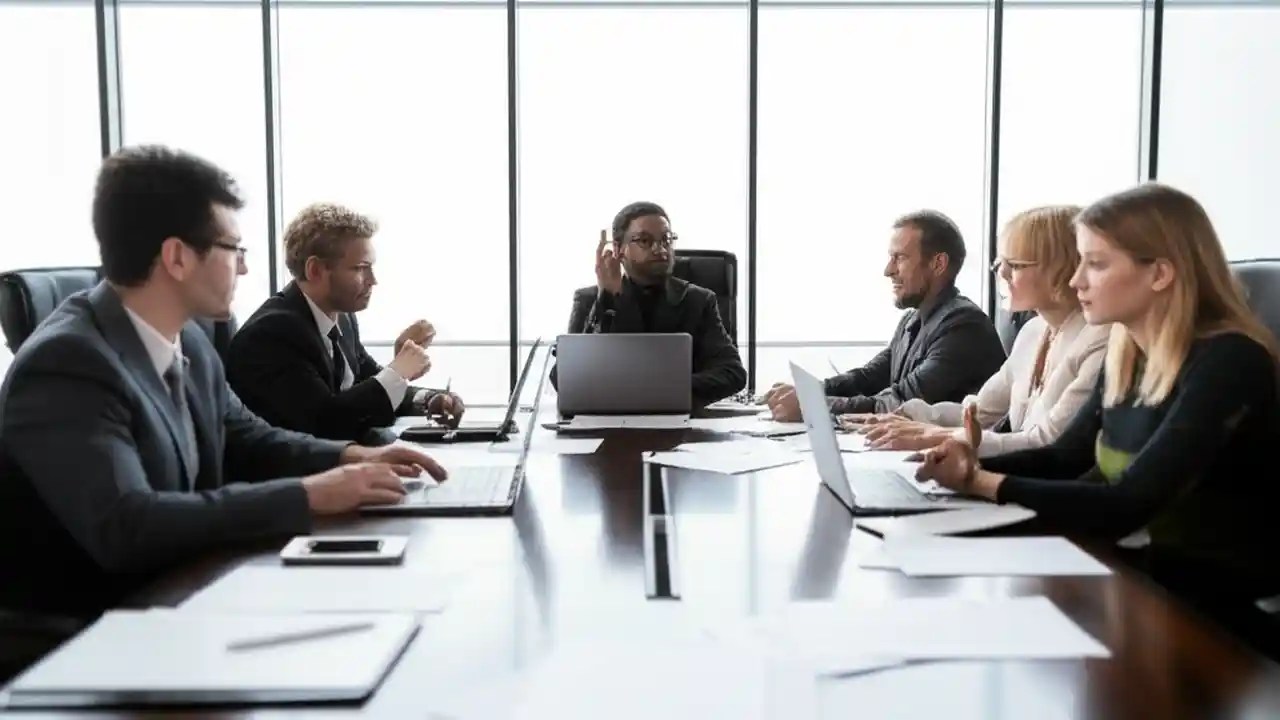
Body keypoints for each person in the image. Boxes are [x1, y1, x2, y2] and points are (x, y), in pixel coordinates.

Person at [0, 147, 446, 624]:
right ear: (177, 257)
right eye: (234, 250)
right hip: (89, 631)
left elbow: (249, 436)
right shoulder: (68, 363)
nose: (245, 269)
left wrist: (352, 457)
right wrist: (309, 494)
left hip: (185, 594)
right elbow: (128, 525)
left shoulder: (188, 337)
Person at [915, 183, 1280, 653]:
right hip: (1139, 582)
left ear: (1161, 274)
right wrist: (963, 462)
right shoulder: (1128, 354)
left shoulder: (1229, 361)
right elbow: (1065, 458)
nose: (1076, 281)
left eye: (1097, 263)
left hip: (1216, 616)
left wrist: (982, 482)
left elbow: (1127, 502)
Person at [849, 205, 1109, 455]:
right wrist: (907, 417)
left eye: (1015, 265)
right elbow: (979, 411)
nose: (1002, 273)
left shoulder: (1098, 339)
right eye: (1001, 263)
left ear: (1061, 269)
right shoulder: (1033, 331)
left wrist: (932, 435)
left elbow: (1047, 441)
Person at [226, 202, 465, 444]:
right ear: (315, 270)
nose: (373, 280)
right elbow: (327, 422)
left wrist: (429, 399)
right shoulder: (272, 334)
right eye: (361, 269)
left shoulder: (343, 318)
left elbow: (367, 386)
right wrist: (399, 371)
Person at [763, 210, 1004, 421]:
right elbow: (868, 378)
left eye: (899, 258)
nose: (888, 270)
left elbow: (899, 406)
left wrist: (811, 406)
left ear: (938, 264)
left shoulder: (964, 327)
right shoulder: (913, 320)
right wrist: (809, 391)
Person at [554, 201, 745, 407]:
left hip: (680, 423)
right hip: (606, 424)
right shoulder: (589, 299)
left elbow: (732, 372)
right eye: (645, 240)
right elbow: (564, 379)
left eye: (666, 239)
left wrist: (662, 390)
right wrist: (607, 298)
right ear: (618, 249)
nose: (660, 248)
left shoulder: (698, 301)